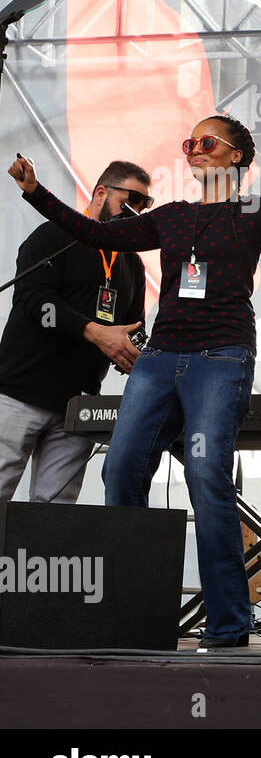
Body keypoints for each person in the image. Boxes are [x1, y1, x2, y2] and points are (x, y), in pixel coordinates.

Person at [9, 117, 261, 648]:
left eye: (207, 143)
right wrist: (36, 193)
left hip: (221, 355)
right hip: (161, 356)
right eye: (188, 143)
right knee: (122, 469)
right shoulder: (171, 217)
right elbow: (96, 232)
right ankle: (130, 612)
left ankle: (227, 624)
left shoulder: (256, 212)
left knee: (206, 475)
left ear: (238, 157)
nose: (194, 150)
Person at [0, 161, 150, 505]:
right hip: (19, 393)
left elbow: (133, 327)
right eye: (131, 201)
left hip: (78, 406)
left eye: (145, 205)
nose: (137, 212)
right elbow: (35, 301)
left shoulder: (131, 263)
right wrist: (94, 332)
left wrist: (141, 358)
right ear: (101, 193)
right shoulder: (53, 236)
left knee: (56, 517)